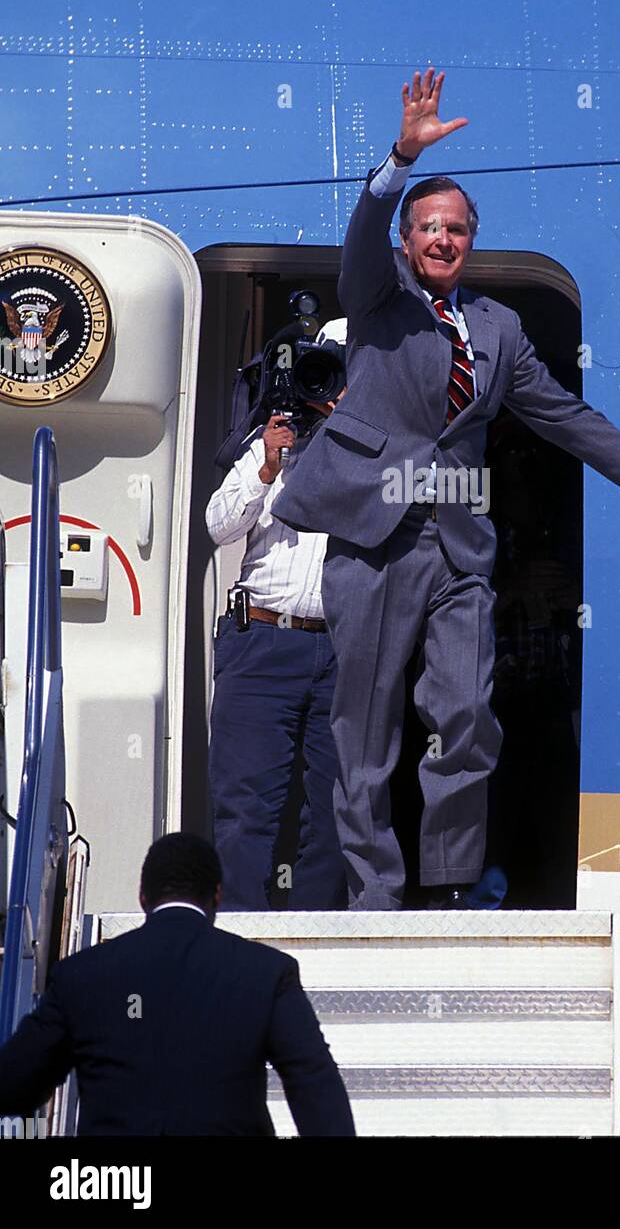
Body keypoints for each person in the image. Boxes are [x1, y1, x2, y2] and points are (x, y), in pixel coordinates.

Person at [274, 67, 620, 912]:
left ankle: (445, 885)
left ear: (472, 240)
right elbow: (365, 227)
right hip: (374, 539)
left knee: (470, 717)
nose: (444, 240)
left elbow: (563, 416)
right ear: (409, 239)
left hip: (457, 547)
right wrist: (403, 154)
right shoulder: (377, 297)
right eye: (430, 228)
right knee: (364, 732)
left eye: (459, 230)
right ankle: (375, 892)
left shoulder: (499, 330)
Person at [0, 833, 355, 1136]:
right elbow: (313, 1082)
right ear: (217, 895)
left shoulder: (82, 975)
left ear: (143, 897)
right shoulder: (265, 972)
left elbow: (15, 1083)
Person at [206, 326, 348, 911]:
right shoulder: (269, 441)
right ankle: (239, 937)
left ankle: (322, 939)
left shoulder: (378, 448)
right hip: (262, 639)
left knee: (341, 806)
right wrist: (267, 464)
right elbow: (218, 526)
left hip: (343, 649)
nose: (333, 388)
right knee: (246, 804)